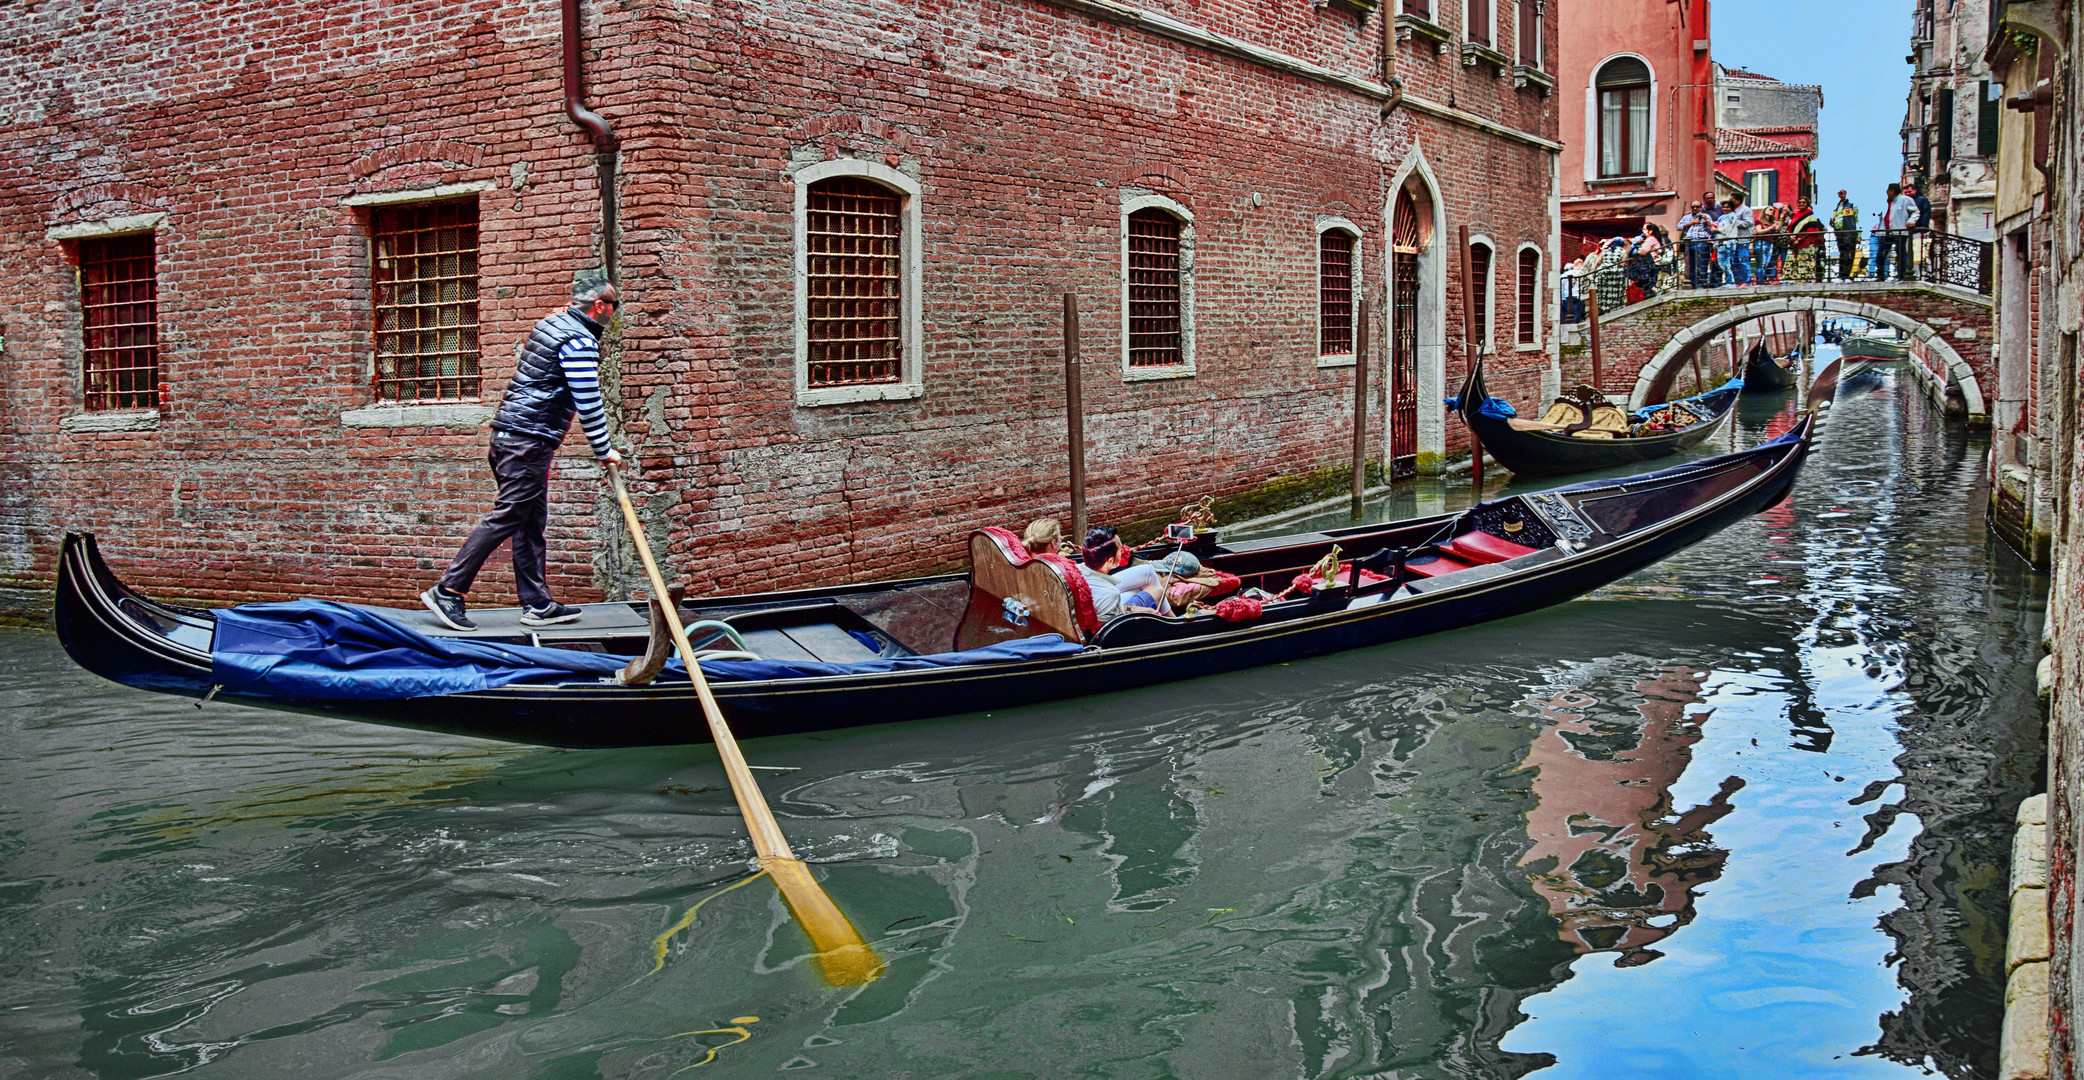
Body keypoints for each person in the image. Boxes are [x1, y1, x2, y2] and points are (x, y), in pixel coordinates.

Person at [422, 271, 623, 631]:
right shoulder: (579, 340)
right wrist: (604, 449)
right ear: (599, 306)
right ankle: (448, 589)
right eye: (614, 306)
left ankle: (537, 603)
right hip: (527, 442)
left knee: (530, 521)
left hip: (512, 439)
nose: (614, 313)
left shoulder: (551, 324)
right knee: (510, 515)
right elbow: (588, 402)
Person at [1076, 527, 1129, 620]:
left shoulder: (1075, 569)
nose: (1122, 551)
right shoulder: (1111, 594)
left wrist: (1130, 607)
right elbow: (1105, 632)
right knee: (1156, 591)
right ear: (1110, 561)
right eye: (1120, 550)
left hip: (1106, 607)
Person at [1876, 183, 1917, 281]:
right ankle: (1880, 276)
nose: (1886, 192)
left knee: (1901, 255)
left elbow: (1915, 212)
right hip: (1885, 233)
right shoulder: (1886, 202)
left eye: (1888, 190)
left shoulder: (1905, 200)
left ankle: (1901, 276)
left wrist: (1911, 221)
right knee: (1881, 255)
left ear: (1892, 191)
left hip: (1899, 231)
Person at [1677, 202, 1717, 289]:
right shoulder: (1686, 217)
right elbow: (1678, 227)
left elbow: (1711, 228)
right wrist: (1691, 223)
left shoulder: (1706, 216)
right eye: (1693, 207)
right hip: (1689, 242)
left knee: (1702, 264)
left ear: (1700, 208)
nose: (1695, 208)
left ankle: (1702, 283)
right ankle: (1694, 283)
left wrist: (1706, 220)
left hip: (1702, 241)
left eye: (1697, 207)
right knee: (1691, 264)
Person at [1787, 197, 1825, 282]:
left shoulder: (1811, 215)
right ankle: (1794, 280)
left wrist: (1799, 239)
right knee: (1793, 262)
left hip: (1807, 243)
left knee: (1806, 262)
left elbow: (1812, 230)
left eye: (1803, 202)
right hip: (1794, 244)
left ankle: (1807, 280)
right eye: (1799, 202)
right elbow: (1790, 228)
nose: (1801, 204)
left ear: (1807, 204)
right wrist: (1791, 236)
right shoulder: (1794, 214)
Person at [1720, 197, 1755, 286]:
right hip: (1733, 240)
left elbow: (1748, 223)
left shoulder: (1745, 210)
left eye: (1732, 199)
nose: (1730, 200)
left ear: (1738, 200)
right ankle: (1737, 281)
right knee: (1734, 261)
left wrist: (1733, 223)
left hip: (1742, 239)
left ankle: (1746, 281)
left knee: (1743, 260)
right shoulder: (1728, 214)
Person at [1830, 190, 1861, 281]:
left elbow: (1855, 220)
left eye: (1842, 193)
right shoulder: (1838, 206)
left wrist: (1858, 234)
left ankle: (1848, 276)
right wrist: (1832, 222)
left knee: (1848, 254)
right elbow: (1837, 219)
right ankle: (1842, 275)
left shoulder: (1851, 205)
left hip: (1849, 232)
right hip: (1840, 233)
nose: (1840, 195)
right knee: (1843, 254)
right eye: (1839, 193)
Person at [1627, 223, 1662, 301]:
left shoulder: (1650, 239)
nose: (1643, 231)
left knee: (1648, 284)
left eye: (1644, 229)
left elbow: (1643, 251)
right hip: (1653, 264)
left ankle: (1657, 293)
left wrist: (1636, 250)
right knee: (1649, 284)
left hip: (1651, 264)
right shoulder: (1652, 239)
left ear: (1650, 231)